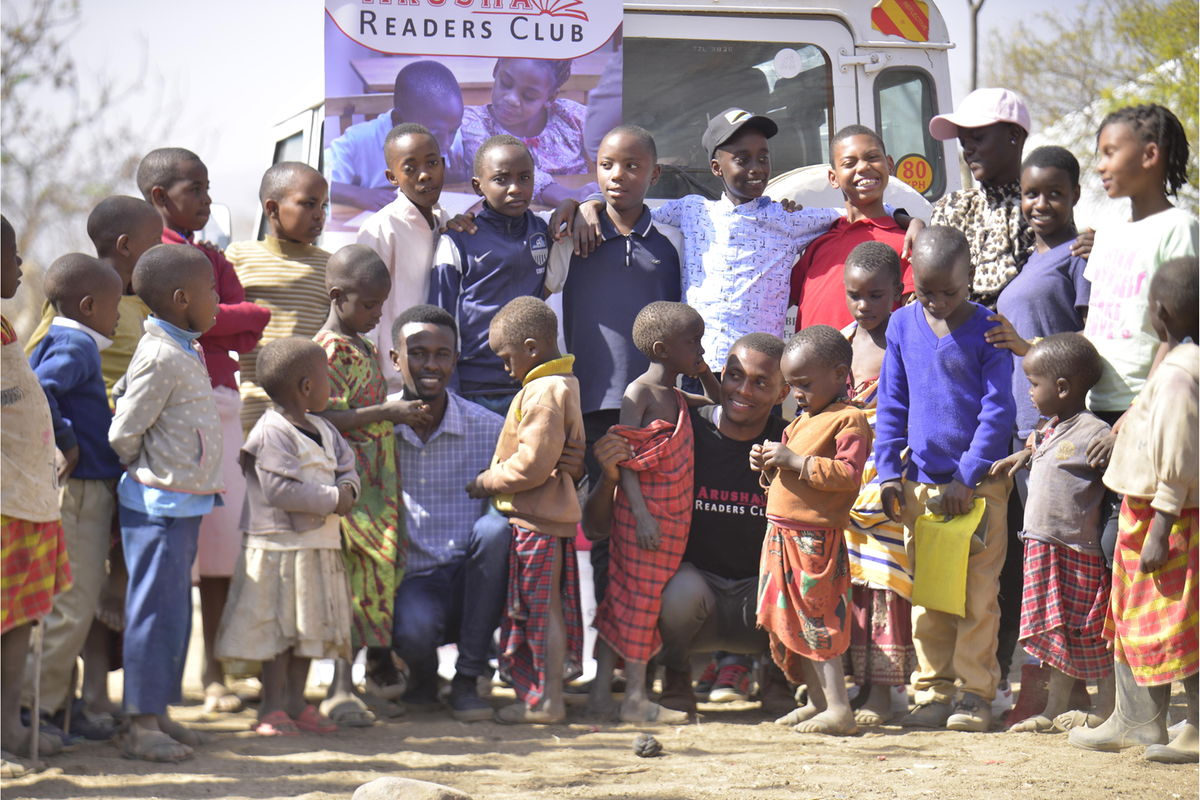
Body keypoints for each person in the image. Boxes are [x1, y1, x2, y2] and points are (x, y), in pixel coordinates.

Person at [563, 108, 921, 380]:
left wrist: (907, 217)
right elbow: (634, 208)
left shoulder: (789, 220)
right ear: (716, 168)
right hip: (698, 369)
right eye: (742, 159)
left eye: (763, 158)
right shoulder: (691, 211)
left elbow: (853, 212)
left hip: (763, 371)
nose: (756, 168)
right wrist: (591, 201)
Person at [585, 333, 792, 718]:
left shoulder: (787, 442)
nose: (742, 389)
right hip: (696, 599)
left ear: (783, 393)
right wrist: (609, 475)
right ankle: (675, 674)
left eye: (761, 382)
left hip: (759, 602)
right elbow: (598, 528)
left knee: (797, 576)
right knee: (674, 588)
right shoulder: (682, 430)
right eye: (733, 375)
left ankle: (778, 675)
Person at [136, 146, 271, 714]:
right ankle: (162, 685)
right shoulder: (151, 259)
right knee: (173, 558)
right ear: (161, 198)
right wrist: (222, 320)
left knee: (218, 551)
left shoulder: (208, 255)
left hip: (222, 404)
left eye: (208, 187)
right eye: (196, 189)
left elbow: (248, 320)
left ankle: (212, 674)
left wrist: (216, 320)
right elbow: (222, 318)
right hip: (173, 414)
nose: (208, 199)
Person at [876, 226, 1016, 733]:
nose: (936, 302)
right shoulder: (899, 326)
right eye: (924, 291)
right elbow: (892, 402)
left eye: (949, 292)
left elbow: (997, 411)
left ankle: (976, 693)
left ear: (971, 279)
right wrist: (890, 472)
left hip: (978, 489)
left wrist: (967, 475)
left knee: (977, 597)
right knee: (930, 594)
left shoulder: (989, 330)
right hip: (922, 487)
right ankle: (933, 691)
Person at [1071, 257, 1198, 764]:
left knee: (1178, 621)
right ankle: (1137, 719)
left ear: (1160, 312)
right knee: (1134, 617)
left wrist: (1161, 524)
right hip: (1147, 512)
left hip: (1165, 517)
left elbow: (1178, 453)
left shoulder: (1179, 378)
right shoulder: (1173, 365)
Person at [107, 243, 223, 762]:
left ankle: (158, 713)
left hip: (182, 505)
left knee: (173, 613)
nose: (219, 300)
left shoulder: (184, 345)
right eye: (212, 291)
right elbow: (124, 431)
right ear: (181, 299)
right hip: (157, 506)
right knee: (152, 612)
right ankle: (138, 723)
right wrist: (147, 473)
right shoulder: (159, 354)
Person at [216, 337, 358, 738]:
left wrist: (349, 489)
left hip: (317, 547)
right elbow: (280, 491)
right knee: (277, 631)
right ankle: (272, 705)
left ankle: (297, 701)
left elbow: (347, 466)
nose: (334, 385)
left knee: (308, 628)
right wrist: (334, 498)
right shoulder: (270, 432)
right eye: (326, 377)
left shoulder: (325, 430)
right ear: (306, 387)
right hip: (278, 548)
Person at [314, 245, 431, 724]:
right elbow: (323, 416)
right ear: (338, 296)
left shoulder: (360, 345)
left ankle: (360, 682)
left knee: (372, 588)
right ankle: (339, 689)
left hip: (379, 491)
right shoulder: (326, 349)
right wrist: (388, 411)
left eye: (381, 307)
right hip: (352, 491)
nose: (376, 314)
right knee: (349, 585)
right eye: (368, 306)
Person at [589, 301, 715, 724]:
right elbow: (625, 460)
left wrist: (704, 369)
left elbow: (720, 399)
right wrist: (641, 515)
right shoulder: (639, 394)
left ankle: (600, 696)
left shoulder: (678, 395)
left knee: (625, 602)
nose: (699, 347)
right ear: (662, 349)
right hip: (642, 519)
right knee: (639, 605)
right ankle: (634, 698)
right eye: (691, 341)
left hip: (671, 518)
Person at [465, 296, 585, 724]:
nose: (505, 368)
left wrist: (488, 480)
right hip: (545, 517)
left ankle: (546, 700)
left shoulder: (543, 392)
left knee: (541, 608)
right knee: (543, 606)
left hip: (539, 519)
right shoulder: (561, 383)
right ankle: (541, 694)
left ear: (532, 348)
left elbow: (533, 464)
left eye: (507, 357)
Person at [387, 304, 510, 721]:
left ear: (455, 361)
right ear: (395, 358)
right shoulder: (377, 426)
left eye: (442, 354)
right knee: (414, 630)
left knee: (497, 532)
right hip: (415, 578)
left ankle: (467, 678)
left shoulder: (488, 427)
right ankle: (421, 676)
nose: (430, 364)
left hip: (474, 578)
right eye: (418, 352)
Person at [989, 334, 1113, 733]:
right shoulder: (1048, 429)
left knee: (1089, 633)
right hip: (1041, 548)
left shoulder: (1094, 433)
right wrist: (1024, 455)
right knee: (1055, 636)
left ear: (1062, 388)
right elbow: (1042, 449)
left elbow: (1110, 486)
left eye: (1033, 383)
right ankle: (1053, 710)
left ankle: (1109, 711)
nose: (1028, 391)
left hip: (1077, 552)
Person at [751, 326, 872, 736]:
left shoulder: (849, 419)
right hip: (782, 535)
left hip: (813, 541)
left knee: (819, 618)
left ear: (839, 374)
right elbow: (790, 478)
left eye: (804, 384)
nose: (796, 393)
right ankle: (819, 702)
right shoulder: (802, 420)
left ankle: (839, 708)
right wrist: (769, 465)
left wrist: (794, 460)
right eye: (791, 385)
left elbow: (847, 476)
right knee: (793, 621)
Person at [22, 254, 123, 737]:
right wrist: (67, 439)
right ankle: (35, 709)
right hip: (80, 494)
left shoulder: (56, 338)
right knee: (74, 604)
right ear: (88, 305)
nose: (120, 316)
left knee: (64, 602)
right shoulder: (77, 344)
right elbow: (41, 391)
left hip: (72, 493)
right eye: (115, 306)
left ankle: (57, 705)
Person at [1, 215, 73, 772]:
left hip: (26, 501)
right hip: (6, 503)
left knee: (19, 620)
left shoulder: (4, 328)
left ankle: (9, 724)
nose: (20, 265)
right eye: (11, 254)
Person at [839, 241, 916, 726]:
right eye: (855, 295)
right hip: (849, 477)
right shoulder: (842, 342)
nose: (864, 305)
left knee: (888, 580)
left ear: (898, 294)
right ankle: (859, 683)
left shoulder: (908, 341)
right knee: (855, 582)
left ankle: (885, 693)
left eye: (875, 295)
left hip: (891, 475)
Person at [429, 135, 550, 413]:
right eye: (501, 179)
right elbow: (440, 317)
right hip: (475, 389)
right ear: (478, 185)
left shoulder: (544, 230)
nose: (515, 189)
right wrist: (449, 390)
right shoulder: (458, 239)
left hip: (532, 384)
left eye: (524, 178)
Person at [228, 162, 333, 431]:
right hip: (253, 410)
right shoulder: (239, 257)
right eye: (309, 204)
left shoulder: (331, 266)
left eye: (323, 206)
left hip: (312, 416)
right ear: (272, 208)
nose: (319, 215)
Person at [790, 125, 914, 331]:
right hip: (811, 361)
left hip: (871, 362)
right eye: (849, 163)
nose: (863, 167)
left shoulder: (907, 242)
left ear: (889, 165)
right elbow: (781, 298)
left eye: (872, 157)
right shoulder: (821, 241)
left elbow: (913, 317)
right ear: (833, 177)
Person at [357, 123, 451, 392]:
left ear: (443, 165)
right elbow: (364, 308)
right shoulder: (381, 228)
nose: (424, 175)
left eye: (432, 163)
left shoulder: (444, 221)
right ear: (392, 177)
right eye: (410, 168)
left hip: (437, 372)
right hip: (393, 379)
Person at [927, 87, 1034, 307]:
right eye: (963, 142)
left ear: (1013, 135)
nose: (968, 150)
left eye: (977, 138)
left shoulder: (1037, 208)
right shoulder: (952, 207)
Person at [326, 59, 467, 210]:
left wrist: (453, 179)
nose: (446, 144)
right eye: (434, 135)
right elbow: (316, 179)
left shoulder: (449, 134)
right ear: (398, 120)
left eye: (453, 131)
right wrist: (357, 194)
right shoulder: (359, 141)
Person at [460, 58, 588, 207]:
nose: (511, 99)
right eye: (506, 84)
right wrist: (563, 194)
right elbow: (495, 166)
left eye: (529, 96)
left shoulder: (570, 116)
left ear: (550, 97)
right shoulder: (473, 122)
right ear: (496, 70)